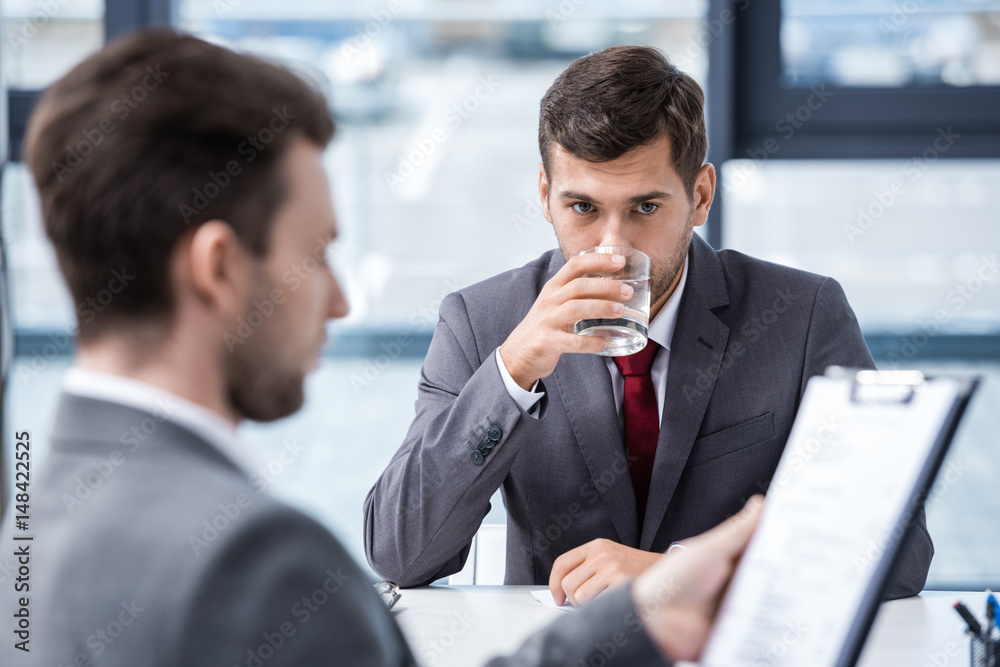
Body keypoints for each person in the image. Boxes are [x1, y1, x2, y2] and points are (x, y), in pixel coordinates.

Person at [0, 29, 764, 667]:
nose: (337, 298)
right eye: (316, 252)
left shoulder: (25, 529)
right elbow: (402, 546)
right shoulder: (258, 562)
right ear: (221, 267)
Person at [363, 44, 933, 604]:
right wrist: (511, 375)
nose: (613, 248)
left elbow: (900, 551)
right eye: (583, 207)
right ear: (545, 194)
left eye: (645, 208)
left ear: (701, 196)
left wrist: (680, 574)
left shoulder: (802, 315)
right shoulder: (482, 323)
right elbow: (400, 553)